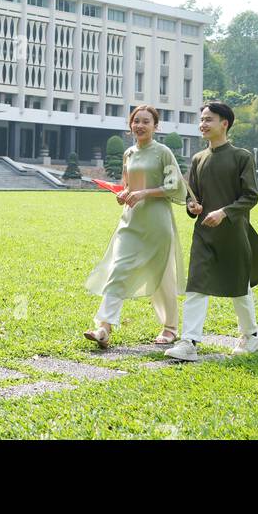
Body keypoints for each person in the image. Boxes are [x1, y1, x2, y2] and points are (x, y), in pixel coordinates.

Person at [165, 101, 258, 362]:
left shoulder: (242, 157)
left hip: (234, 233)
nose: (202, 124)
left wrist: (224, 213)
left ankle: (250, 337)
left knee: (239, 287)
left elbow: (251, 196)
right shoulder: (198, 159)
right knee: (196, 285)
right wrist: (192, 207)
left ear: (224, 124)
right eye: (202, 120)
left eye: (208, 120)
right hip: (204, 234)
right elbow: (191, 197)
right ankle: (189, 342)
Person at [83, 105, 187, 350]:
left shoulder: (163, 152)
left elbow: (175, 186)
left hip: (157, 222)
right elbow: (127, 185)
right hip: (130, 221)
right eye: (136, 121)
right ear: (130, 125)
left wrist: (144, 193)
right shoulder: (128, 153)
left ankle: (170, 328)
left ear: (155, 126)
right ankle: (104, 328)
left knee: (161, 276)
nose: (140, 125)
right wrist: (124, 194)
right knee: (118, 269)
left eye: (146, 122)